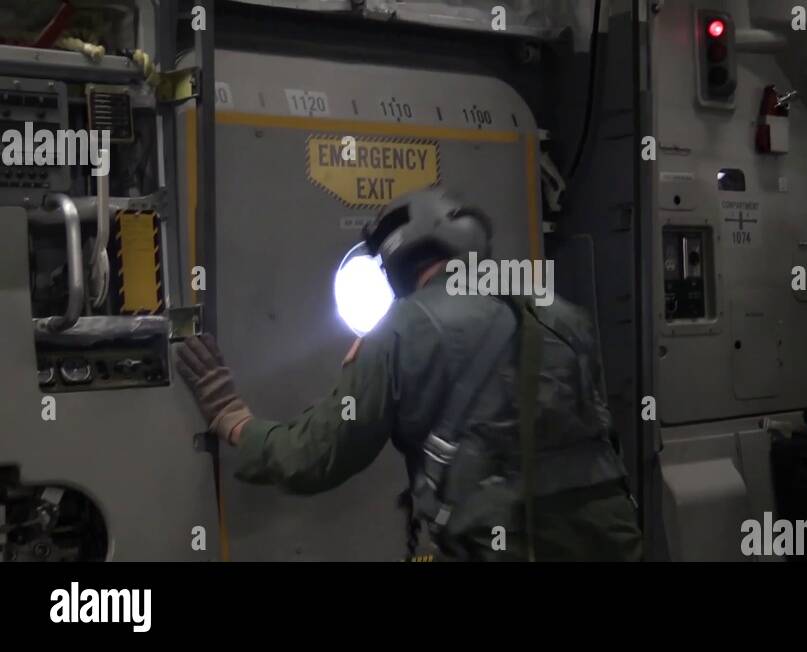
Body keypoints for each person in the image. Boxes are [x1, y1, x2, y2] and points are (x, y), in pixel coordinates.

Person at [175, 187, 643, 562]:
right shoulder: (557, 313)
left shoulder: (400, 330)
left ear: (398, 259)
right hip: (613, 543)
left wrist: (234, 419)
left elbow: (313, 457)